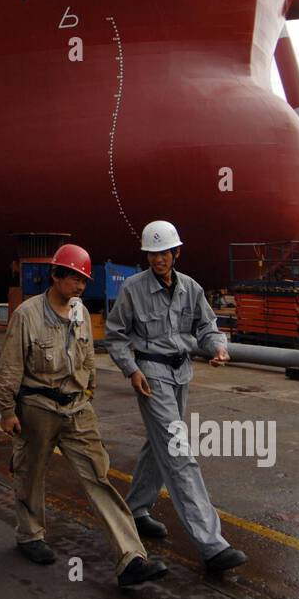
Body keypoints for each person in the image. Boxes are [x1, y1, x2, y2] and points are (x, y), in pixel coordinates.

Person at [0, 243, 166, 588]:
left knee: (98, 478)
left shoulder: (80, 312)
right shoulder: (27, 315)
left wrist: (88, 392)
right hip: (37, 407)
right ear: (56, 276)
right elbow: (11, 366)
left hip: (76, 409)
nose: (81, 286)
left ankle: (131, 557)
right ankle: (30, 536)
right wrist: (7, 410)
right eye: (74, 279)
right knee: (30, 472)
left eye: (84, 281)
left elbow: (87, 358)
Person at [105, 220, 247, 574]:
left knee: (159, 444)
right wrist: (132, 370)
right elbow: (116, 335)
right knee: (179, 452)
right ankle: (212, 544)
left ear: (176, 253)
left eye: (164, 254)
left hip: (182, 372)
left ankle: (136, 509)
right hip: (151, 375)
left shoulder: (191, 289)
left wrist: (217, 347)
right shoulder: (133, 291)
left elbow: (206, 326)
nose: (158, 261)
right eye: (152, 255)